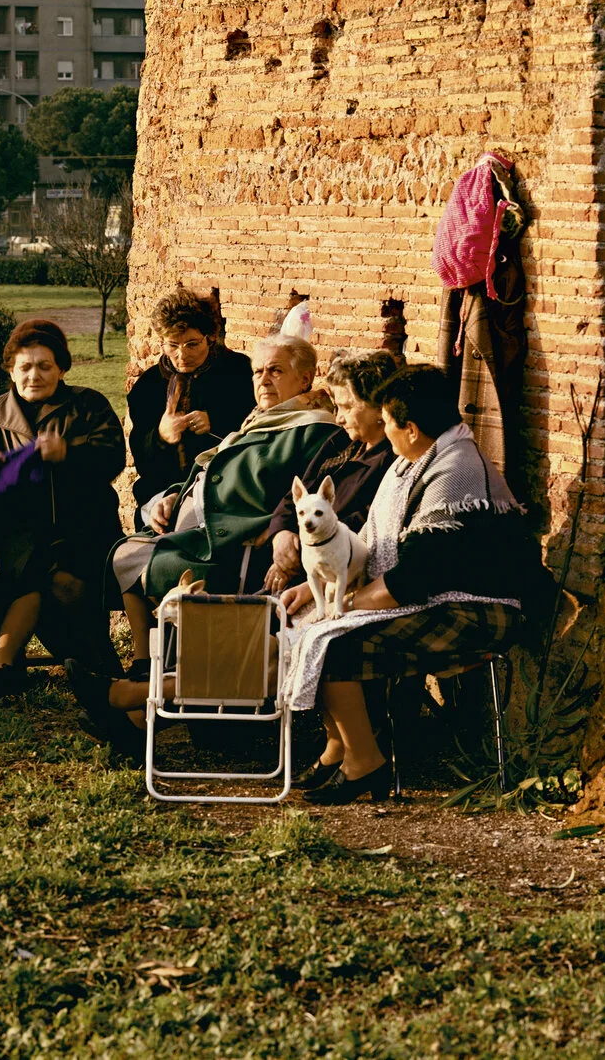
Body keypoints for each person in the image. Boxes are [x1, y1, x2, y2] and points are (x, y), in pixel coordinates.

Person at [284, 365, 551, 804]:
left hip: (478, 607)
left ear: (410, 428)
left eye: (387, 423)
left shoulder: (457, 472)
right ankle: (339, 748)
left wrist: (349, 603)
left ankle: (364, 763)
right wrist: (323, 588)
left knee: (336, 645)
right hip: (436, 598)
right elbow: (367, 542)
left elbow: (417, 577)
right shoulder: (414, 462)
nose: (384, 431)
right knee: (308, 621)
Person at [109, 332, 344, 662]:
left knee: (136, 562)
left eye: (275, 371)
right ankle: (146, 663)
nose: (263, 380)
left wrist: (278, 530)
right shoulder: (261, 420)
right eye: (257, 371)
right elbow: (216, 466)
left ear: (304, 379)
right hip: (202, 532)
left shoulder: (315, 430)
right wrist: (176, 496)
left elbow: (306, 494)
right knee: (123, 554)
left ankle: (158, 672)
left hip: (233, 545)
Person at [0, 318, 123, 693]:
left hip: (82, 531)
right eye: (25, 366)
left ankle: (3, 662)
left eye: (45, 366)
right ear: (10, 369)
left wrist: (68, 452)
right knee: (33, 565)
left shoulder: (88, 407)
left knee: (55, 573)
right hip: (10, 537)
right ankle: (91, 667)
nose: (34, 375)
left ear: (62, 368)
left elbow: (113, 458)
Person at [247, 349, 402, 596]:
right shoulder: (339, 442)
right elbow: (296, 494)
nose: (338, 418)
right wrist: (281, 535)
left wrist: (297, 552)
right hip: (291, 555)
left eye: (346, 407)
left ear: (379, 408)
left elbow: (364, 525)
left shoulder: (392, 462)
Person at [123, 289, 254, 509]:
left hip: (226, 489)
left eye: (192, 344)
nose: (182, 355)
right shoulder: (148, 386)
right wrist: (161, 436)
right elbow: (143, 462)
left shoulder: (240, 372)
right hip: (160, 493)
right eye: (172, 345)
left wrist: (217, 421)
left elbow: (260, 432)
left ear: (209, 337)